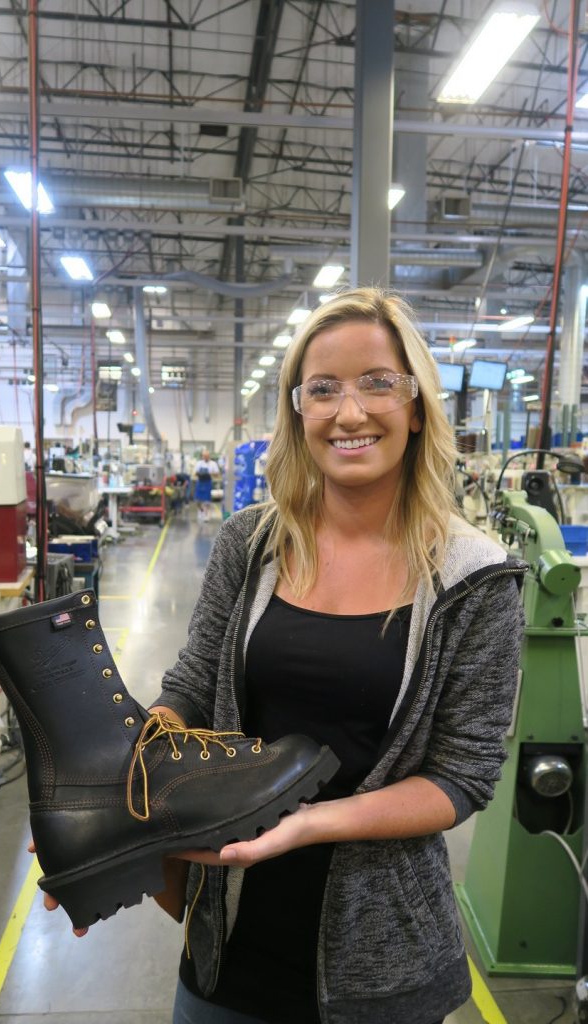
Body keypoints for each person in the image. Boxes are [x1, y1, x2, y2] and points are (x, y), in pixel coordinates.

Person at [150, 287, 526, 1024]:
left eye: (376, 383)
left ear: (416, 407)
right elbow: (193, 682)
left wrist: (310, 823)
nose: (348, 412)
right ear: (298, 412)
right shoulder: (251, 543)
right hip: (225, 944)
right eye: (321, 390)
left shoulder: (473, 577)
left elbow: (461, 776)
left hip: (380, 961)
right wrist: (117, 787)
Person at [193, 448, 220, 522]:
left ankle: (206, 514)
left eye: (207, 456)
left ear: (209, 456)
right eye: (204, 456)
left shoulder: (213, 464)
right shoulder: (199, 463)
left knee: (207, 501)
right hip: (200, 482)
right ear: (202, 456)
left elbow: (217, 474)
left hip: (207, 483)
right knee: (197, 500)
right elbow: (195, 473)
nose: (205, 457)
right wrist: (200, 474)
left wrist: (209, 474)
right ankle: (201, 511)